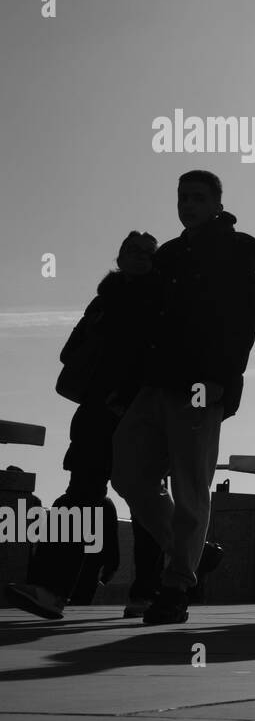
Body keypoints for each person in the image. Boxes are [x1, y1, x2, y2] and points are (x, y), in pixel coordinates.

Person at [110, 174, 255, 625]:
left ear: (218, 202)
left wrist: (223, 378)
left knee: (192, 488)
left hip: (200, 384)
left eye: (198, 198)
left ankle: (177, 586)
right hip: (156, 382)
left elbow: (242, 319)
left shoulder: (239, 250)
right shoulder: (171, 255)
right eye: (183, 197)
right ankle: (194, 555)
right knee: (127, 472)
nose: (189, 205)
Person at [8, 233, 168, 619]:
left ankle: (150, 589)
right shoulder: (105, 300)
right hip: (96, 413)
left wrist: (124, 395)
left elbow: (157, 357)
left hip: (138, 413)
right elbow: (70, 351)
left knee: (143, 499)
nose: (141, 258)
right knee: (82, 495)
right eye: (134, 251)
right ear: (120, 256)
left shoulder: (160, 300)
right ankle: (51, 589)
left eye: (149, 253)